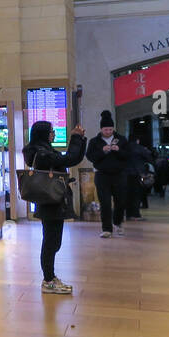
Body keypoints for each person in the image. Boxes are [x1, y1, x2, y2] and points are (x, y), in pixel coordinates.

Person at [23, 120, 87, 295]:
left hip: (52, 201)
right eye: (51, 131)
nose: (54, 134)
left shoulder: (44, 151)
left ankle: (50, 278)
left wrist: (80, 140)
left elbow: (74, 159)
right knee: (51, 242)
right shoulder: (41, 153)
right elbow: (69, 158)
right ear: (43, 133)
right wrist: (75, 138)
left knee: (53, 241)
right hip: (50, 201)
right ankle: (48, 280)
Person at [85, 110, 129, 238]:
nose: (108, 132)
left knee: (120, 201)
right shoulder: (94, 141)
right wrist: (102, 151)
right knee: (104, 202)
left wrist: (118, 150)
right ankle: (106, 228)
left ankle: (118, 222)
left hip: (119, 175)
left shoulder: (121, 139)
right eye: (106, 130)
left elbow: (128, 155)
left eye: (110, 129)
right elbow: (90, 156)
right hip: (102, 175)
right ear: (101, 130)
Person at [125, 139, 152, 219]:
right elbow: (149, 157)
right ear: (138, 140)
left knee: (128, 194)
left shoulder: (124, 147)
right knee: (137, 194)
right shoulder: (140, 148)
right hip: (137, 173)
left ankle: (128, 214)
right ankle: (135, 214)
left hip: (125, 174)